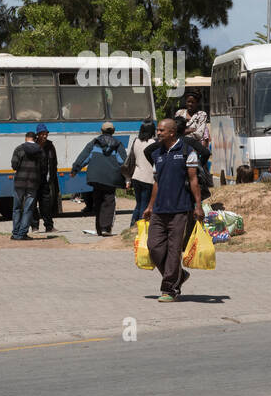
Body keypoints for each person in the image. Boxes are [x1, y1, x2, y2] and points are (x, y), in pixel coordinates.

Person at [142, 116, 204, 302]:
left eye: (161, 130)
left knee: (173, 250)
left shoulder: (187, 151)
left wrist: (198, 206)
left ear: (172, 132)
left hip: (180, 209)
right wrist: (150, 206)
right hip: (159, 210)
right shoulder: (157, 154)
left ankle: (169, 289)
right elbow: (156, 182)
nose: (158, 133)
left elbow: (194, 180)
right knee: (154, 247)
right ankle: (179, 275)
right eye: (158, 130)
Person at [72, 121, 127, 237]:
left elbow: (84, 157)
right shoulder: (118, 144)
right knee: (109, 201)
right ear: (113, 132)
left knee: (98, 201)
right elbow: (123, 162)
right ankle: (106, 228)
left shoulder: (94, 143)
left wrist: (75, 170)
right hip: (111, 178)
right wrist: (128, 178)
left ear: (101, 131)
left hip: (95, 177)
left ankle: (99, 229)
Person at [10, 131, 44, 240]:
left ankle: (15, 233)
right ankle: (22, 234)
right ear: (34, 139)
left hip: (19, 182)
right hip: (33, 183)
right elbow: (43, 167)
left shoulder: (19, 149)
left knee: (17, 208)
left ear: (26, 138)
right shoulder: (40, 150)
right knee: (28, 209)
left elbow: (14, 165)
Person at [122, 120, 157, 226]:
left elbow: (131, 158)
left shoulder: (136, 141)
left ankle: (133, 225)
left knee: (139, 203)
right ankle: (140, 226)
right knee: (145, 204)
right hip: (148, 178)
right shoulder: (154, 143)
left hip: (136, 176)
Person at [32, 124, 60, 233]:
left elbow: (54, 163)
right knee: (33, 204)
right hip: (34, 180)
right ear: (37, 135)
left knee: (46, 205)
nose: (44, 136)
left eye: (45, 134)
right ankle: (34, 226)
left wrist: (52, 177)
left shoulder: (50, 146)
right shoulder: (33, 146)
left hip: (46, 180)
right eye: (42, 134)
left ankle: (49, 226)